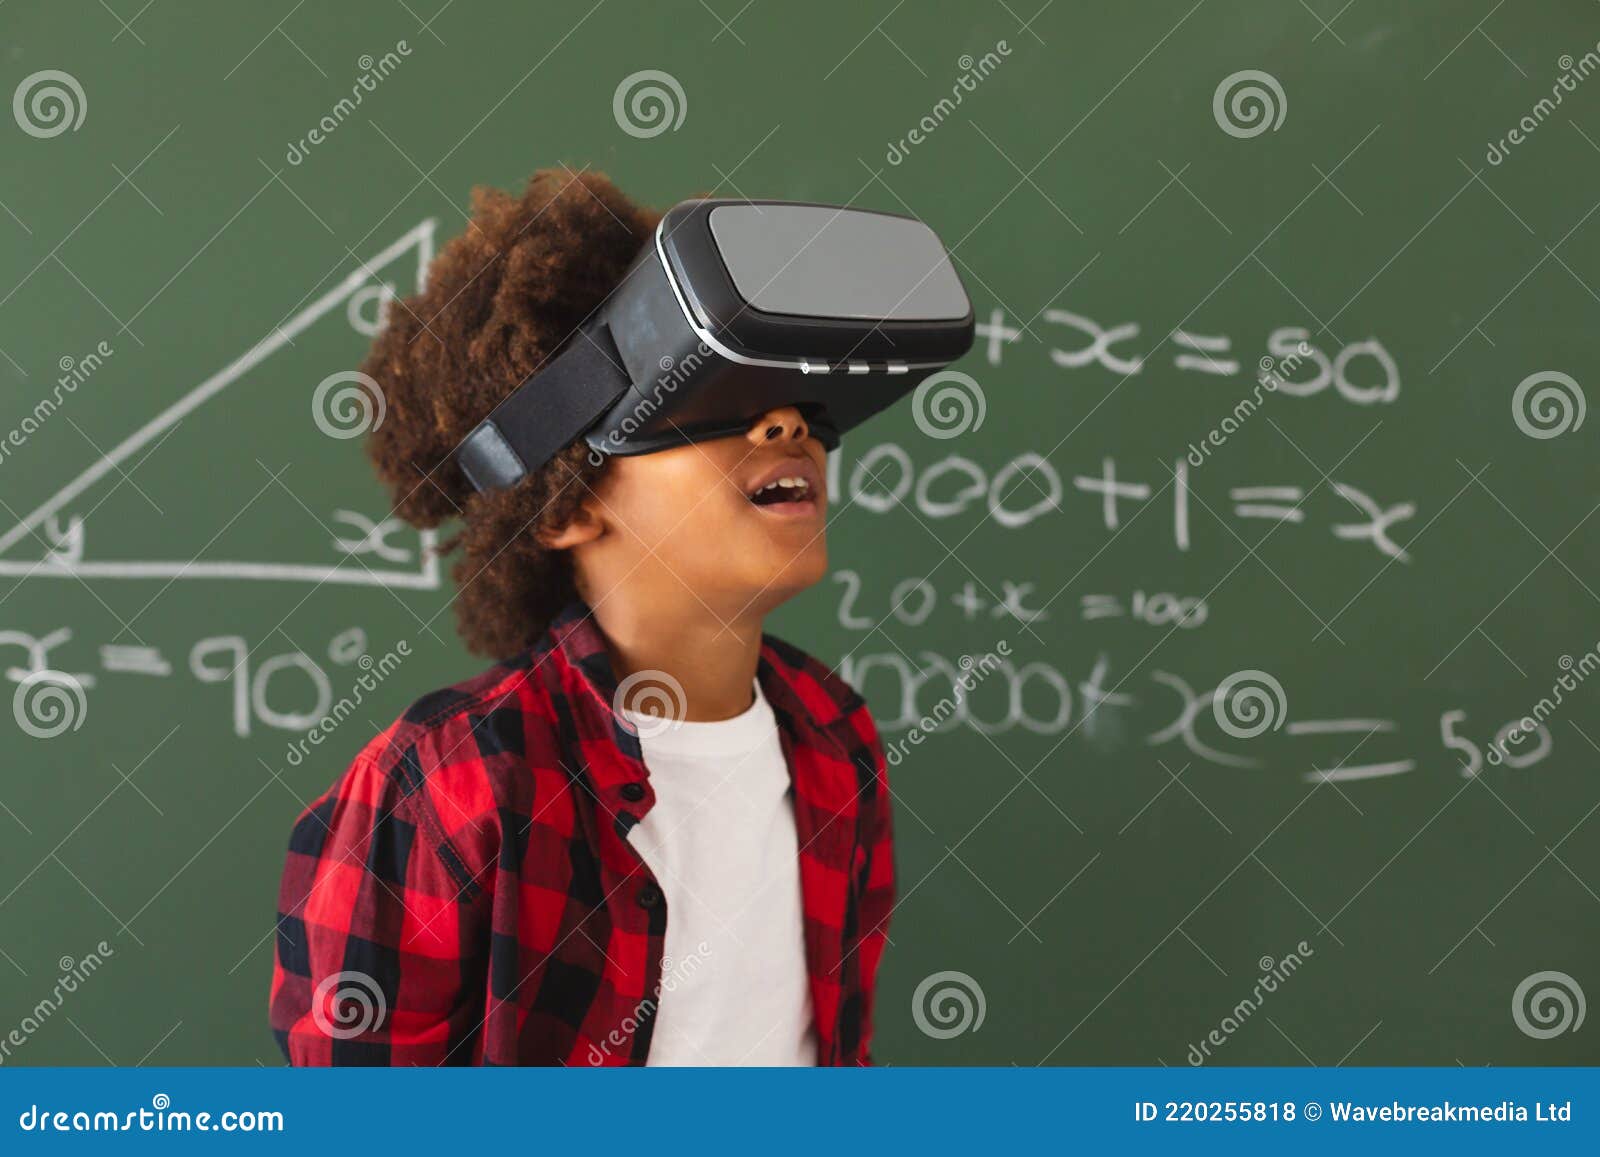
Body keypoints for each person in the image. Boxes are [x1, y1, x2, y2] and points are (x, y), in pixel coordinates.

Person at [268, 169, 899, 1065]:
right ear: (561, 503)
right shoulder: (447, 787)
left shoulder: (836, 734)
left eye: (795, 401)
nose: (784, 425)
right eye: (709, 402)